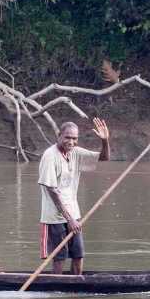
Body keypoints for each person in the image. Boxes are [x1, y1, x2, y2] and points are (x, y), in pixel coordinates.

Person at [38, 118, 110, 275]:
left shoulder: (75, 152)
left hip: (74, 214)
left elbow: (104, 157)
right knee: (59, 257)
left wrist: (105, 141)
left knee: (78, 254)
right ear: (59, 136)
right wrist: (69, 219)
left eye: (74, 138)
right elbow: (52, 190)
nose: (71, 142)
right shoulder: (50, 156)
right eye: (67, 137)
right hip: (54, 217)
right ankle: (57, 285)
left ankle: (76, 283)